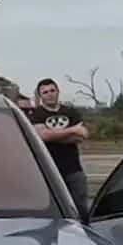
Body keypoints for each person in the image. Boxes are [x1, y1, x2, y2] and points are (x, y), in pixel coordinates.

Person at [28, 78, 90, 215]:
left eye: (52, 90)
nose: (49, 94)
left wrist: (53, 136)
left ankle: (83, 233)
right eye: (45, 92)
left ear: (58, 92)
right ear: (40, 96)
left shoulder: (70, 112)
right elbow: (42, 136)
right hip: (48, 171)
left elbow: (83, 135)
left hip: (73, 170)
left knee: (80, 207)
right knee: (53, 210)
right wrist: (72, 130)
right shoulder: (36, 114)